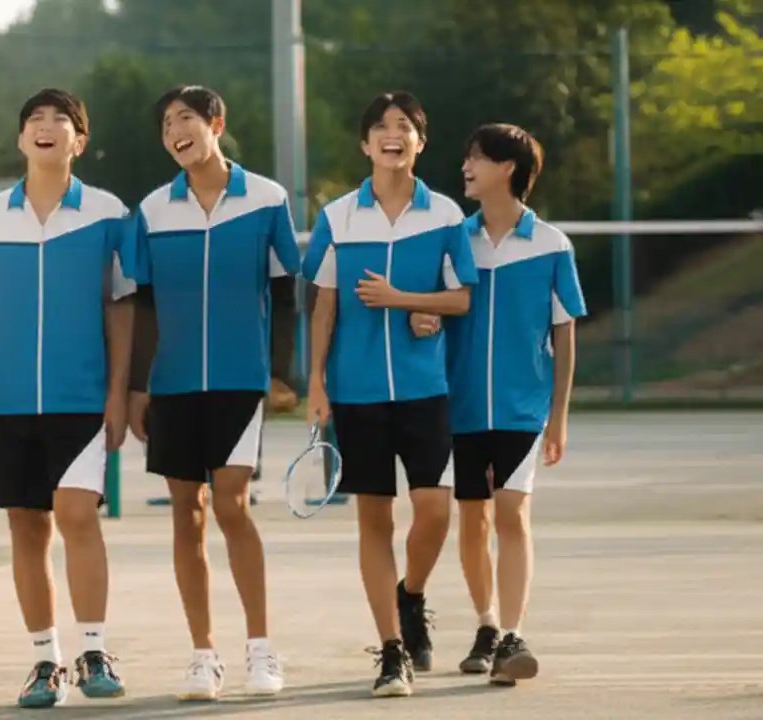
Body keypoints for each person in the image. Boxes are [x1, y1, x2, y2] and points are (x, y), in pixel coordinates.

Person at [0, 88, 134, 709]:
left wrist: (117, 393)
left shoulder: (109, 214)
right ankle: (44, 662)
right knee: (27, 527)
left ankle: (95, 649)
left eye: (62, 120)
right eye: (35, 120)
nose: (47, 127)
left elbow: (121, 309)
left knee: (77, 515)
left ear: (79, 141)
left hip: (81, 398)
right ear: (22, 139)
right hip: (6, 401)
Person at [302, 91, 478, 697]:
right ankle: (392, 651)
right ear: (365, 144)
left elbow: (459, 299)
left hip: (427, 390)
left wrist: (404, 300)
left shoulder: (447, 216)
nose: (391, 134)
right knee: (373, 521)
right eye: (380, 127)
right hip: (356, 395)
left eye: (404, 126)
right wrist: (316, 384)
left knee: (435, 512)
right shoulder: (338, 217)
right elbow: (323, 305)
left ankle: (412, 594)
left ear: (420, 142)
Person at [128, 84, 298, 701]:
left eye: (187, 118)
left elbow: (284, 293)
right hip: (171, 385)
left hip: (238, 378)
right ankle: (203, 655)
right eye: (167, 122)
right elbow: (141, 305)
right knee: (186, 512)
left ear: (216, 123)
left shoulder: (267, 198)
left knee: (230, 503)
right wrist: (136, 388)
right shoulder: (150, 210)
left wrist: (282, 372)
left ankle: (261, 649)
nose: (177, 130)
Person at [410, 123, 586, 685]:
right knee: (474, 517)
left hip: (522, 408)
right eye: (466, 157)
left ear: (508, 168)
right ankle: (486, 624)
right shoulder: (453, 239)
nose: (466, 167)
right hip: (457, 407)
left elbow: (564, 333)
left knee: (511, 513)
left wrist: (558, 415)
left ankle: (512, 634)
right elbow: (434, 310)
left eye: (477, 158)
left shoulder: (552, 245)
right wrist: (424, 317)